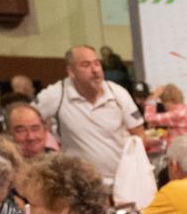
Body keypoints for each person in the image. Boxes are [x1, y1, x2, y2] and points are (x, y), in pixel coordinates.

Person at [36, 44, 142, 182]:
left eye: (97, 63)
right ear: (71, 71)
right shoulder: (57, 94)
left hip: (122, 181)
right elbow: (25, 117)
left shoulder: (118, 93)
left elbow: (139, 135)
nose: (95, 70)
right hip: (80, 185)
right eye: (86, 65)